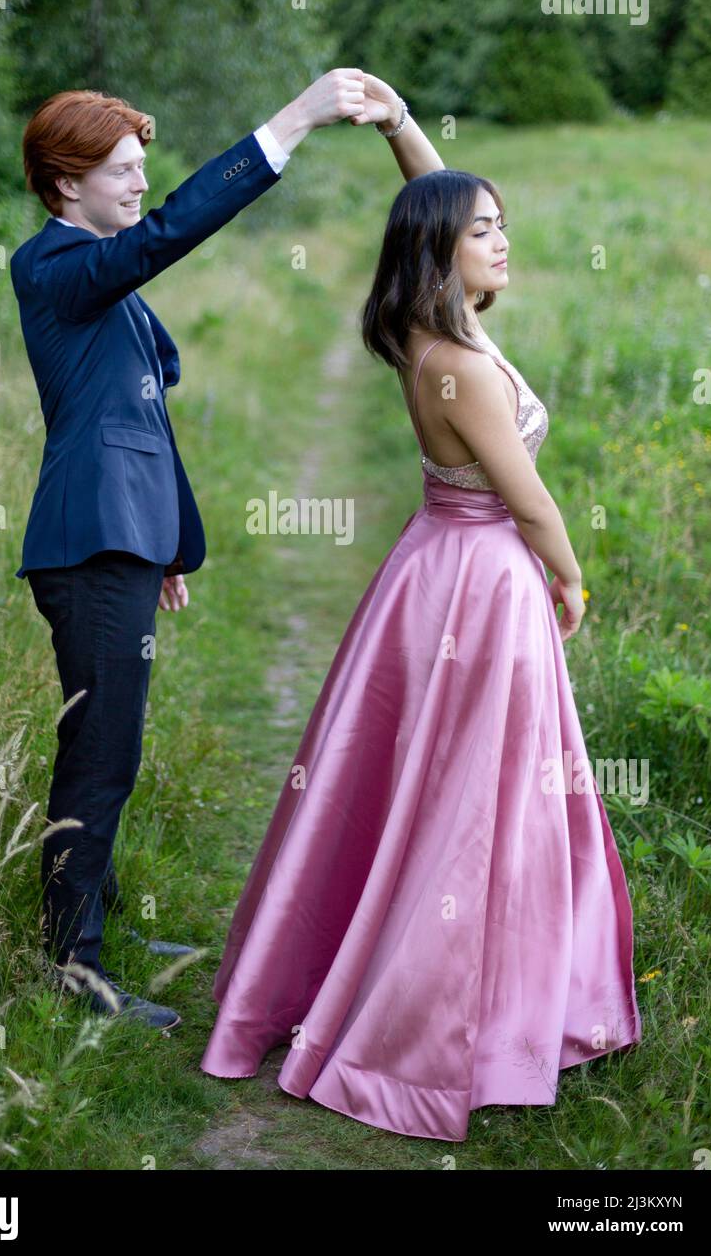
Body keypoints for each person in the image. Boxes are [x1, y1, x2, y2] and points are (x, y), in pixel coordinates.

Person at [199, 73, 642, 1140]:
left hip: (426, 575)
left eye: (501, 223)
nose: (500, 240)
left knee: (415, 787)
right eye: (482, 230)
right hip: (484, 584)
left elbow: (428, 207)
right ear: (443, 251)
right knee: (473, 805)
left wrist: (401, 127)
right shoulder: (463, 369)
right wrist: (571, 577)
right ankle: (439, 1019)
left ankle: (420, 984)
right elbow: (526, 498)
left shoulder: (420, 330)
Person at [11, 71, 367, 1028]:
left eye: (141, 166)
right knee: (101, 750)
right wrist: (294, 121)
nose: (137, 184)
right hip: (84, 544)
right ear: (63, 185)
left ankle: (103, 928)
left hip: (119, 539)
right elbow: (170, 232)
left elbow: (135, 416)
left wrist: (163, 539)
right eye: (120, 170)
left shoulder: (97, 278)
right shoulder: (51, 267)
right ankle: (74, 973)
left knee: (111, 742)